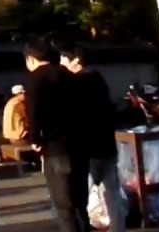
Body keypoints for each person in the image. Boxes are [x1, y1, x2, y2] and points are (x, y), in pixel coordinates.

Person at [25, 37, 87, 232]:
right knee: (79, 204)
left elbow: (33, 111)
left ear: (30, 59)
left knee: (64, 206)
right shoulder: (69, 75)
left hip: (55, 148)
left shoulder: (36, 79)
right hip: (79, 145)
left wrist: (35, 139)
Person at [61, 44, 123, 232]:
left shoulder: (76, 82)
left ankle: (81, 226)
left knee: (80, 194)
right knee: (112, 191)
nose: (61, 63)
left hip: (87, 148)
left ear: (75, 61)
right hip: (107, 143)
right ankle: (118, 228)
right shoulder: (99, 79)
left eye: (64, 59)